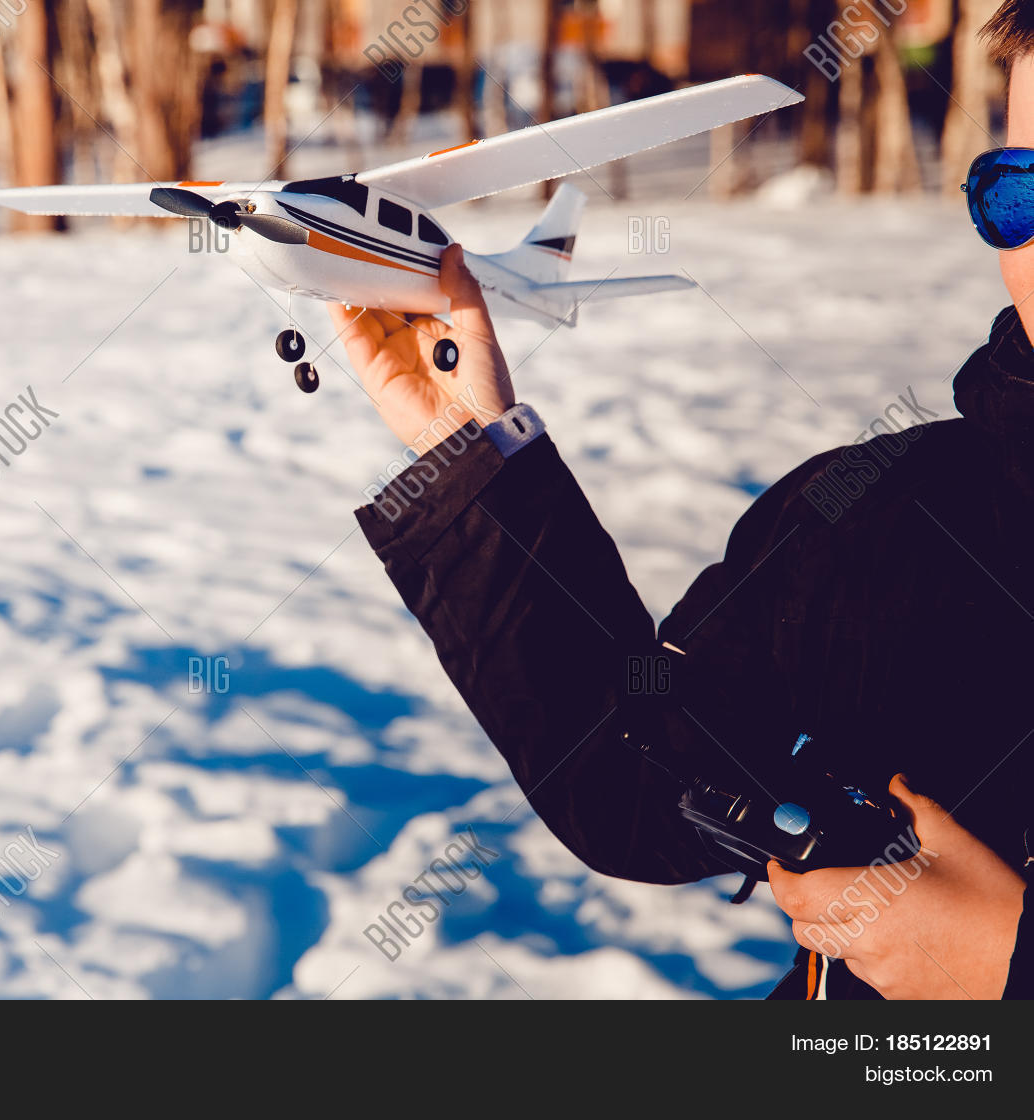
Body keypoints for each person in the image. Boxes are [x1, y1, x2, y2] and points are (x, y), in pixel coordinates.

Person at [334, 3, 1034, 999]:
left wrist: (1003, 968)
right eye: (1019, 192)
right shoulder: (871, 518)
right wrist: (476, 460)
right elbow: (632, 772)